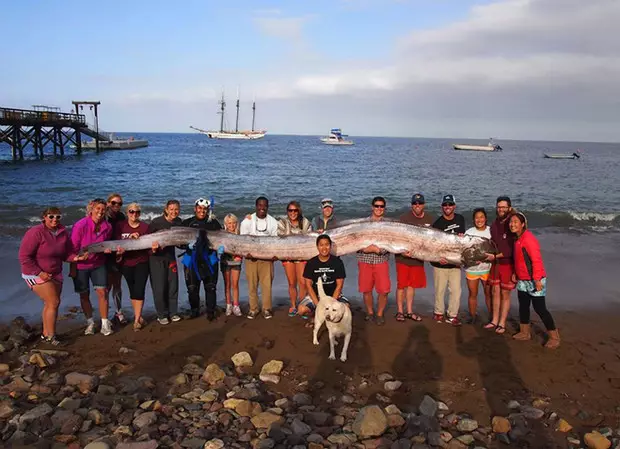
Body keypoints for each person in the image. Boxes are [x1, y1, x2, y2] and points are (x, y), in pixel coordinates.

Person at [19, 207, 88, 345]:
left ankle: (46, 334)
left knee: (50, 304)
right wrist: (39, 273)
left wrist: (77, 259)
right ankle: (51, 337)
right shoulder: (36, 232)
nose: (54, 219)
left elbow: (66, 254)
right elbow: (24, 257)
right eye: (51, 217)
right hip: (35, 273)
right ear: (44, 217)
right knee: (53, 302)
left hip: (55, 273)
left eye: (57, 217)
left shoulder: (62, 233)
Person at [510, 212, 560, 348]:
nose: (512, 224)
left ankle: (554, 337)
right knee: (523, 306)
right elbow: (519, 260)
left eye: (515, 222)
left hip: (535, 279)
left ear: (523, 224)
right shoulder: (517, 239)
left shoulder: (528, 239)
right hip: (523, 280)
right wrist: (515, 273)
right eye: (511, 222)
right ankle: (524, 332)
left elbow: (536, 260)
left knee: (540, 308)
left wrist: (537, 280)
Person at [70, 198, 114, 336]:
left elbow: (106, 245)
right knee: (84, 295)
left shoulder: (108, 227)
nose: (100, 212)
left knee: (103, 293)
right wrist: (73, 265)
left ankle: (105, 323)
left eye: (103, 209)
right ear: (91, 209)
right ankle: (90, 323)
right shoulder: (80, 225)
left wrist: (108, 250)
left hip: (98, 264)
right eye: (98, 209)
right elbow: (73, 248)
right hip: (81, 265)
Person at [394, 193, 434, 322]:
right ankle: (400, 311)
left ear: (424, 205)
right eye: (415, 203)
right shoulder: (403, 218)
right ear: (412, 205)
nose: (417, 205)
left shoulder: (429, 218)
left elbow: (433, 240)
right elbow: (395, 237)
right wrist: (401, 252)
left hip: (418, 258)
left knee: (412, 285)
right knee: (401, 285)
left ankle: (409, 311)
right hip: (403, 258)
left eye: (420, 203)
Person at [181, 198, 222, 320]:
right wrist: (185, 245)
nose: (202, 211)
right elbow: (178, 241)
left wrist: (221, 247)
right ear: (195, 209)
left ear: (208, 210)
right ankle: (194, 310)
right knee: (192, 288)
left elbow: (222, 238)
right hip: (191, 259)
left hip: (209, 259)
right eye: (199, 208)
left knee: (210, 286)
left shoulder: (213, 223)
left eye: (204, 209)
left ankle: (211, 311)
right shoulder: (187, 223)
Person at [239, 196, 279, 319]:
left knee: (266, 285)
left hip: (267, 259)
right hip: (251, 258)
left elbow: (275, 240)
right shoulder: (247, 221)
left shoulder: (273, 222)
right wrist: (246, 253)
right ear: (256, 206)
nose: (262, 208)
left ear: (267, 207)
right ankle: (253, 309)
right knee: (252, 285)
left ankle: (267, 309)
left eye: (265, 205)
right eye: (260, 205)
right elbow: (242, 239)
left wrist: (274, 255)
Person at [431, 194, 466, 326]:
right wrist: (439, 258)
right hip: (440, 263)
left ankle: (452, 315)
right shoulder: (437, 223)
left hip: (455, 263)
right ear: (442, 207)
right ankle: (438, 313)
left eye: (450, 204)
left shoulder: (460, 219)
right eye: (445, 205)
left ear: (454, 206)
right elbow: (434, 244)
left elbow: (460, 242)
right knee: (440, 290)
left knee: (456, 291)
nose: (447, 207)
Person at [114, 203, 150, 331]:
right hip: (126, 263)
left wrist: (155, 249)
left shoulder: (145, 227)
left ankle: (136, 320)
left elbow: (149, 246)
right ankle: (138, 316)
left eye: (137, 212)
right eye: (131, 211)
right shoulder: (120, 226)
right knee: (133, 291)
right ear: (127, 212)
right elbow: (117, 242)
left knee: (140, 290)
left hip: (142, 262)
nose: (134, 214)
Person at [357, 196, 391, 325]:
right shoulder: (362, 224)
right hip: (364, 259)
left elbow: (392, 241)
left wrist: (379, 251)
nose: (379, 208)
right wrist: (365, 249)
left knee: (384, 290)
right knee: (366, 290)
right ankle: (370, 312)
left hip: (381, 260)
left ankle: (380, 314)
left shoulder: (388, 225)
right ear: (372, 207)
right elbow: (354, 240)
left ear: (384, 208)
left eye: (381, 206)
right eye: (376, 206)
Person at [485, 196, 516, 334]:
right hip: (495, 263)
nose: (501, 209)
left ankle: (502, 323)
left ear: (509, 207)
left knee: (505, 294)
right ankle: (494, 320)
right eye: (499, 207)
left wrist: (495, 256)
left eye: (504, 207)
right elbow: (493, 243)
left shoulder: (512, 223)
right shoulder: (495, 223)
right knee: (494, 291)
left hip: (507, 263)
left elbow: (510, 249)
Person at [149, 200, 182, 325]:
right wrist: (153, 249)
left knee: (173, 286)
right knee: (159, 288)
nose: (174, 211)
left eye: (176, 209)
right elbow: (146, 241)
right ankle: (161, 314)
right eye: (171, 209)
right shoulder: (156, 223)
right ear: (166, 209)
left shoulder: (178, 222)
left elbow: (181, 243)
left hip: (170, 257)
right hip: (156, 258)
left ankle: (173, 313)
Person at [278, 201, 312, 316]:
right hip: (287, 256)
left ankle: (302, 305)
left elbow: (310, 239)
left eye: (295, 210)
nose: (293, 213)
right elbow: (279, 239)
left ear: (299, 211)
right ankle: (293, 305)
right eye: (290, 210)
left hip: (301, 255)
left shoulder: (306, 222)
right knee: (292, 283)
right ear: (287, 212)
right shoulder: (282, 222)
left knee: (302, 283)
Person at [299, 234, 347, 317]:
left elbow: (339, 285)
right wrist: (318, 305)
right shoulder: (311, 263)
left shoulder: (337, 262)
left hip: (333, 296)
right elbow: (308, 285)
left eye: (327, 245)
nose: (324, 248)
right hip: (316, 296)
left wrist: (331, 305)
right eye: (321, 245)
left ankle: (331, 318)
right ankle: (315, 316)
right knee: (301, 310)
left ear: (330, 246)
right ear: (317, 246)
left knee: (346, 308)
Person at [464, 208, 492, 324]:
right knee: (472, 294)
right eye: (476, 217)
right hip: (472, 269)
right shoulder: (469, 232)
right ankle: (472, 316)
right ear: (473, 219)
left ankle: (492, 316)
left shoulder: (491, 231)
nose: (479, 220)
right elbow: (464, 251)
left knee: (488, 294)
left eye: (481, 217)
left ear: (485, 218)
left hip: (487, 269)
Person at [106, 193, 127, 324]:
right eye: (113, 203)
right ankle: (106, 315)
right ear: (108, 203)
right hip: (105, 254)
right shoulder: (103, 216)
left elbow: (123, 233)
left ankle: (118, 312)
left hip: (117, 252)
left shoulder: (121, 216)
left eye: (119, 203)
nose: (116, 205)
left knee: (117, 284)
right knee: (106, 285)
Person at [221, 213, 243, 317]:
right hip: (225, 261)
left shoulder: (239, 234)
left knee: (235, 284)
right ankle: (228, 305)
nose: (231, 225)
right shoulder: (222, 234)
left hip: (236, 261)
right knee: (227, 284)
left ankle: (236, 305)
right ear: (226, 224)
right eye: (229, 223)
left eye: (233, 223)